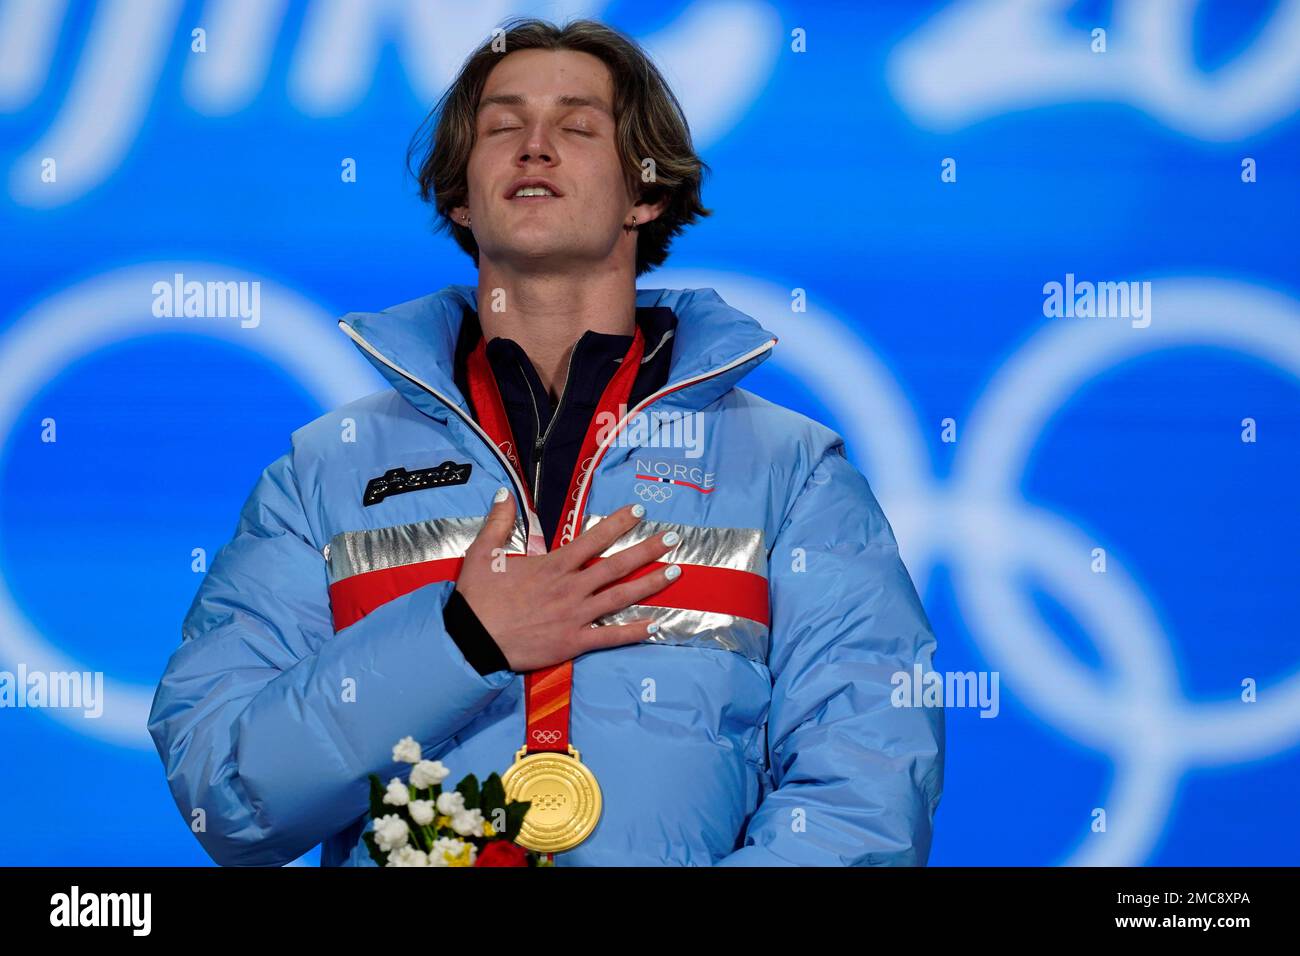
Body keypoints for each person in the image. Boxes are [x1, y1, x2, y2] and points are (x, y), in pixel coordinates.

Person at [147, 17, 944, 867]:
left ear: (647, 194)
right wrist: (458, 641)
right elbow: (224, 795)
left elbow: (867, 795)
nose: (534, 147)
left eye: (577, 126)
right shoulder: (324, 471)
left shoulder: (791, 474)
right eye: (501, 127)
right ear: (459, 194)